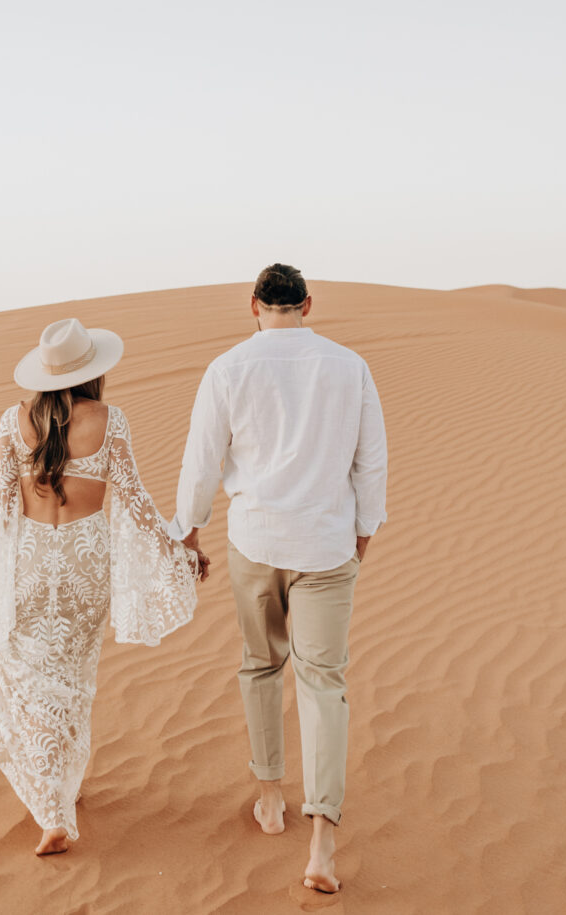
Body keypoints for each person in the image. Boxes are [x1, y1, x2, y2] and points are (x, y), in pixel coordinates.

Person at [0, 318, 209, 855]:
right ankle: (59, 801)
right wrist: (179, 550)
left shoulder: (12, 422)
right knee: (72, 678)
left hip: (28, 559)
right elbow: (133, 501)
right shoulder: (111, 421)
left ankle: (54, 802)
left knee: (32, 675)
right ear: (93, 372)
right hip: (87, 563)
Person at [168, 264, 388, 894]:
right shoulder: (349, 366)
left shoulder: (228, 368)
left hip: (256, 542)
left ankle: (270, 799)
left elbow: (202, 457)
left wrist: (189, 528)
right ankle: (322, 843)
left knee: (261, 665)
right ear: (307, 305)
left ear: (254, 306)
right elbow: (371, 458)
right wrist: (365, 529)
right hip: (327, 546)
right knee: (325, 683)